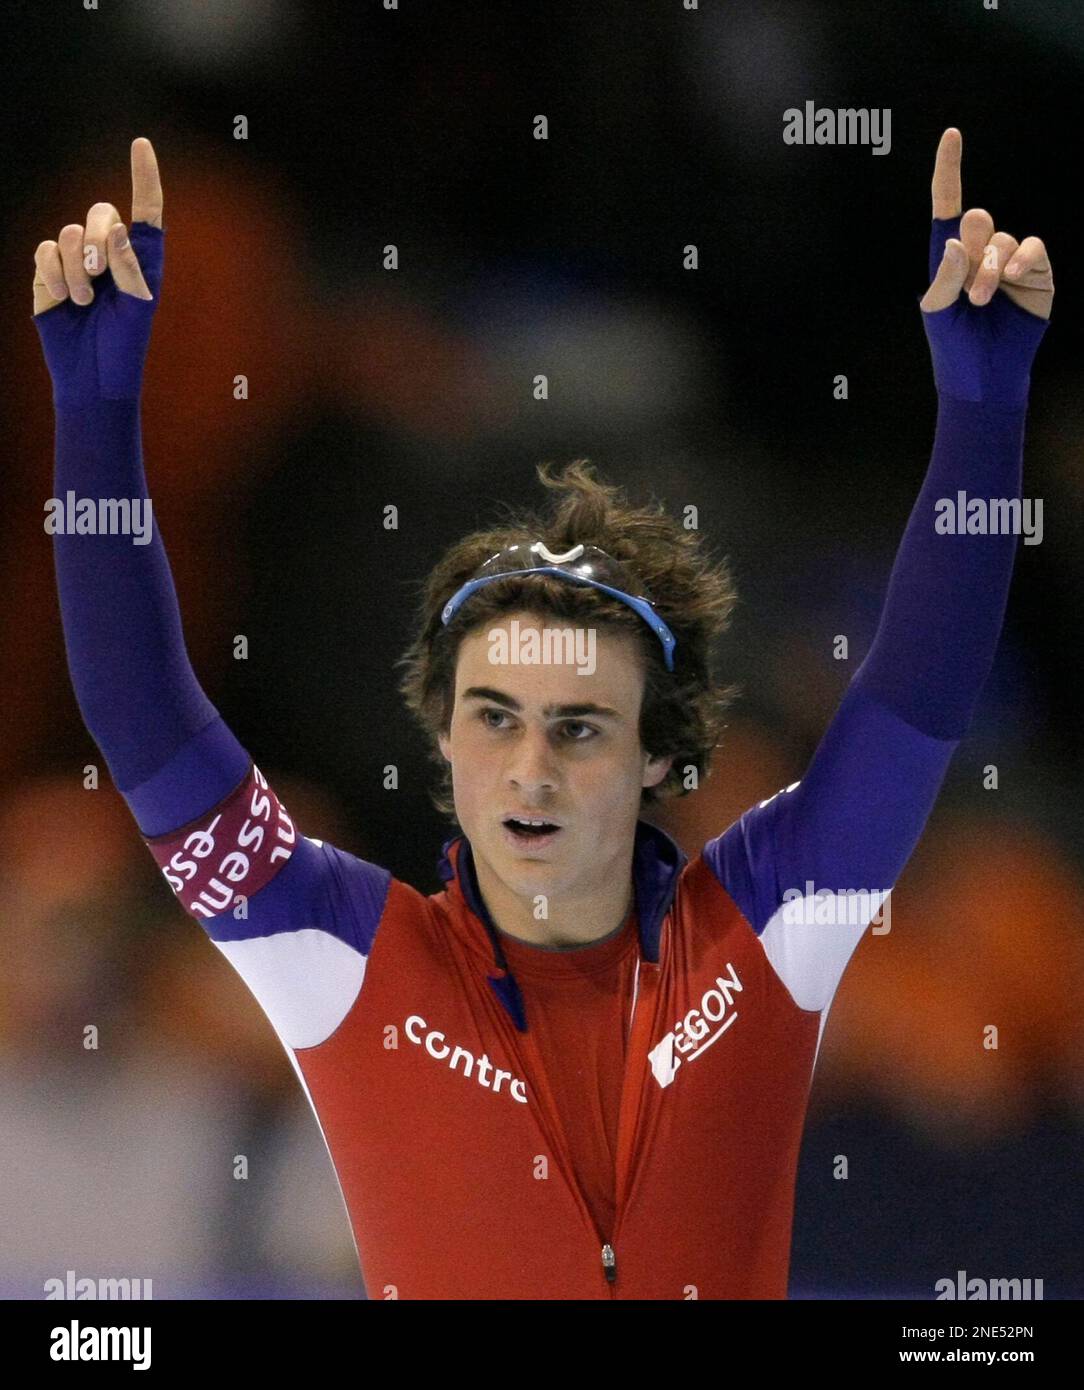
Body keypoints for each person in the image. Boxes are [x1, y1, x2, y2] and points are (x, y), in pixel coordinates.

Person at [32, 130, 1052, 1300]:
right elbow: (144, 720)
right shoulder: (346, 956)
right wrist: (99, 415)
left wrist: (983, 407)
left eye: (578, 725)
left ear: (661, 753)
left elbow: (915, 692)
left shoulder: (763, 925)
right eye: (493, 717)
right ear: (444, 742)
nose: (530, 766)